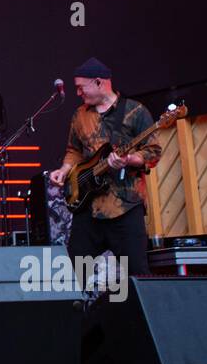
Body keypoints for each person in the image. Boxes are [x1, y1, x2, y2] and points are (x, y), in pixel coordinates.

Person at [47, 57, 160, 284]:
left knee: (138, 276)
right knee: (74, 274)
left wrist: (129, 159)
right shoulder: (80, 115)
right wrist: (64, 169)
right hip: (89, 207)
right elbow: (74, 150)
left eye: (81, 87)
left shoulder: (135, 111)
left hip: (125, 207)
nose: (78, 92)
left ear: (99, 83)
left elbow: (153, 152)